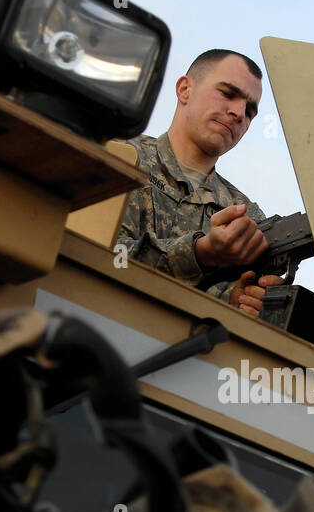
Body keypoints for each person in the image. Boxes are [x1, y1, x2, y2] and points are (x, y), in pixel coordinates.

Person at [115, 49, 283, 317]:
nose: (239, 112)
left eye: (250, 111)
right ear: (184, 90)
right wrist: (199, 253)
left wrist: (237, 302)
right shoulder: (119, 157)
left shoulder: (248, 218)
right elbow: (101, 254)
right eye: (228, 94)